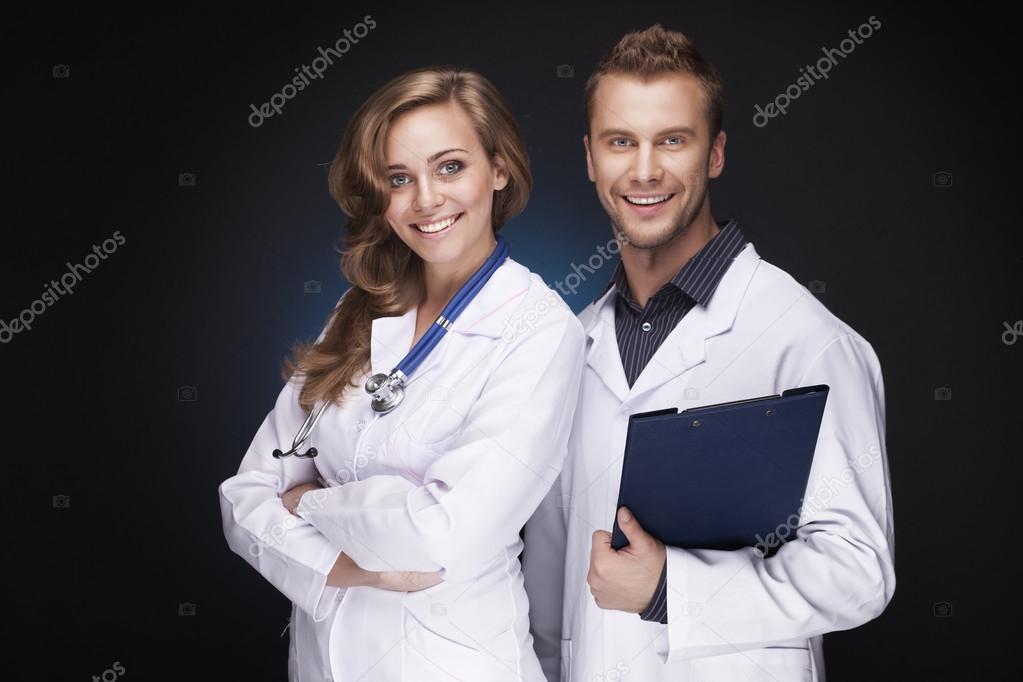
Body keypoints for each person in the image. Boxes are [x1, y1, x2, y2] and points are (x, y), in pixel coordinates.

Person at [523, 24, 895, 682]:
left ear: (714, 153)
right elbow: (550, 592)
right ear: (590, 158)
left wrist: (672, 590)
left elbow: (858, 570)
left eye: (673, 140)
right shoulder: (568, 347)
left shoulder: (805, 339)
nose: (644, 170)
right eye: (620, 142)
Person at [219, 65, 585, 682]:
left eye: (450, 167)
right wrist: (348, 568)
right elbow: (244, 497)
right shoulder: (358, 309)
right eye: (398, 178)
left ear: (499, 170)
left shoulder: (541, 331)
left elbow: (442, 533)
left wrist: (306, 502)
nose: (426, 200)